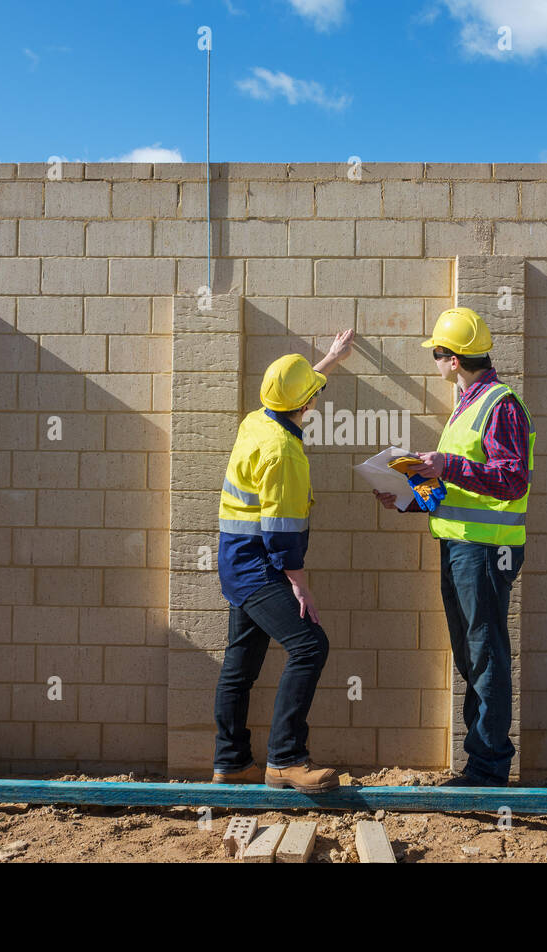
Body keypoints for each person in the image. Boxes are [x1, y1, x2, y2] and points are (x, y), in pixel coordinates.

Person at [374, 308, 534, 787]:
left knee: (485, 654)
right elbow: (460, 488)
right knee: (471, 655)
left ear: (455, 358)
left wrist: (444, 464)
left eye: (438, 354)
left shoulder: (500, 404)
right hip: (459, 544)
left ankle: (487, 770)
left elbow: (511, 478)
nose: (435, 363)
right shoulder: (468, 404)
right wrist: (410, 497)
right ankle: (480, 762)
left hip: (484, 551)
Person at [212, 329, 355, 793]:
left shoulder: (257, 420)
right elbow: (282, 533)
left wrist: (330, 359)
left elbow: (295, 390)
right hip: (261, 567)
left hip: (237, 561)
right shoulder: (284, 453)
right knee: (311, 646)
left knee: (240, 666)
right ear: (307, 406)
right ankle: (285, 761)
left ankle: (231, 763)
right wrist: (300, 585)